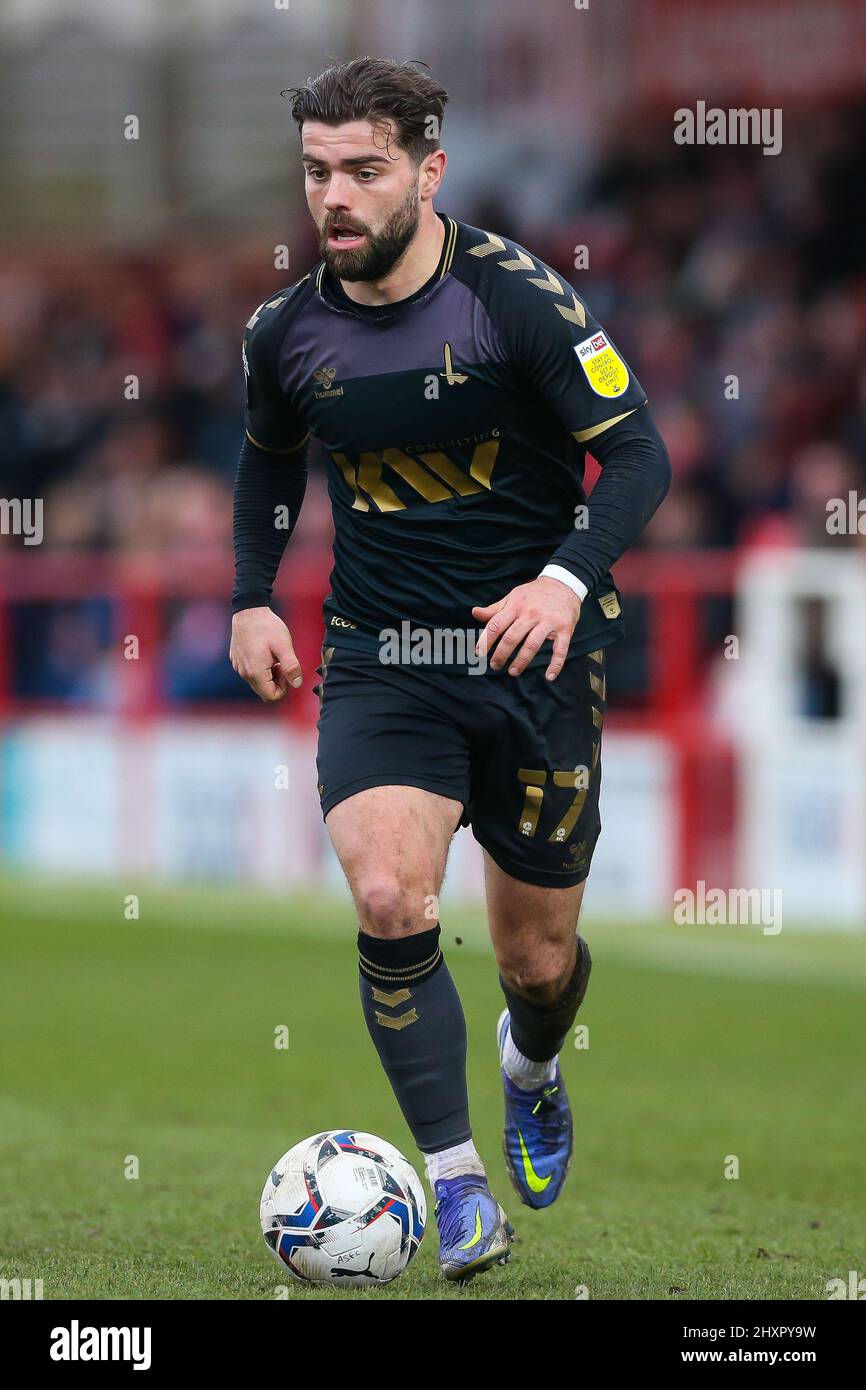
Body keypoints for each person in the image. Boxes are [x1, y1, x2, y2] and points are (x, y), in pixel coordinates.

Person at [230, 57, 671, 1282]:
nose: (335, 197)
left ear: (428, 171)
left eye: (364, 171)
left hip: (536, 656)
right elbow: (268, 466)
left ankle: (531, 1064)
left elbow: (637, 455)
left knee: (535, 960)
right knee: (388, 899)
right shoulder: (284, 331)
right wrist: (250, 598)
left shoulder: (515, 301)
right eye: (318, 172)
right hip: (381, 659)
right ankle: (456, 1185)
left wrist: (564, 577)